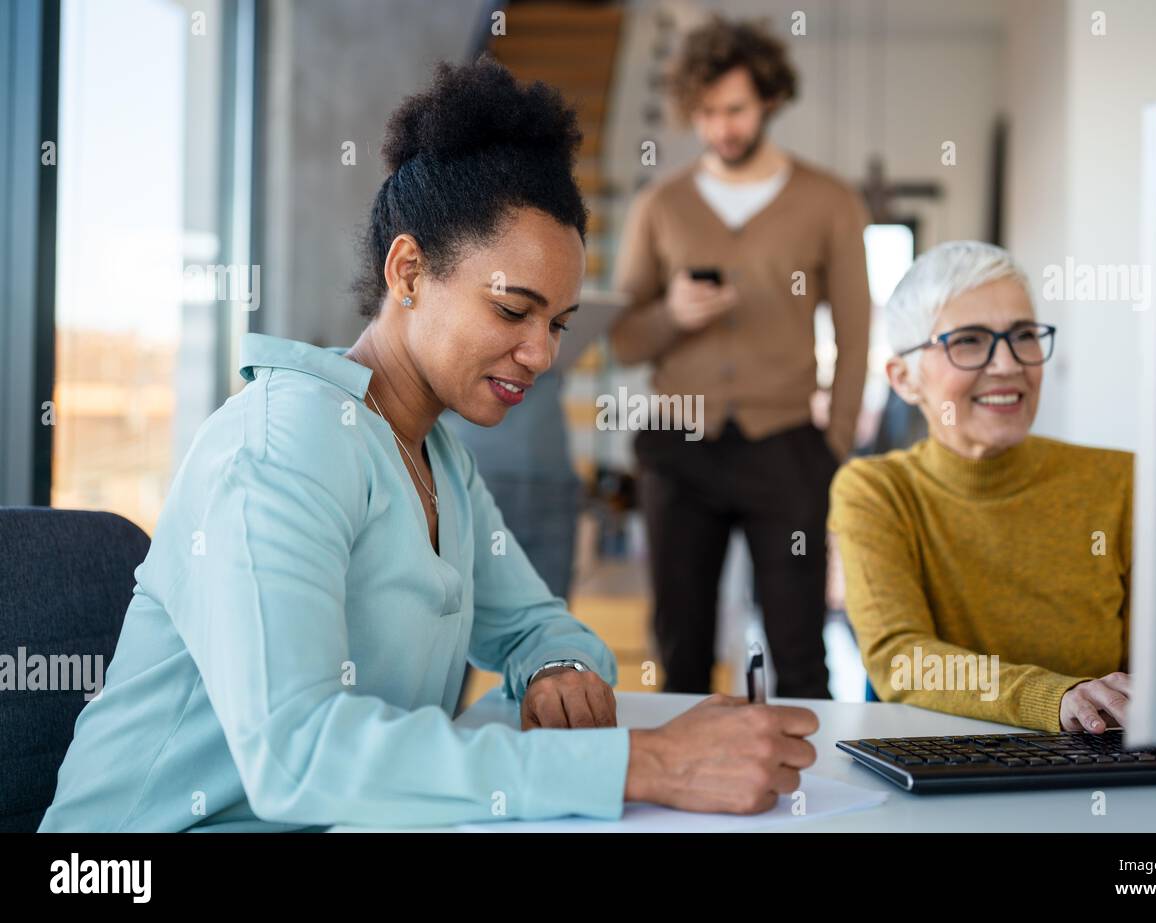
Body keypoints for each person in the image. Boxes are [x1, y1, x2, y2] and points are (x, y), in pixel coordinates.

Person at [39, 58, 816, 833]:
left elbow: (537, 624)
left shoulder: (438, 457)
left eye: (557, 324)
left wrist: (558, 667)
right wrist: (648, 763)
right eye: (512, 309)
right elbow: (298, 756)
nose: (541, 354)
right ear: (408, 270)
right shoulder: (283, 445)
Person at [610, 16, 871, 699]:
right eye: (705, 113)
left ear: (770, 100)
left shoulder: (829, 201)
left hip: (786, 448)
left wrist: (835, 443)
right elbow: (622, 338)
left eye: (735, 109)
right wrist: (672, 315)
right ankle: (685, 768)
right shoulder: (659, 206)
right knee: (681, 655)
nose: (721, 128)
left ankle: (814, 770)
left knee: (801, 656)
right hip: (679, 447)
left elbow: (856, 329)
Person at [828, 241, 1133, 733]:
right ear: (904, 379)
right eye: (969, 341)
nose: (1007, 364)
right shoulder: (876, 490)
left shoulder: (1121, 481)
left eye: (1024, 335)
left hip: (1102, 761)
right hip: (939, 763)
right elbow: (900, 658)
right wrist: (1055, 697)